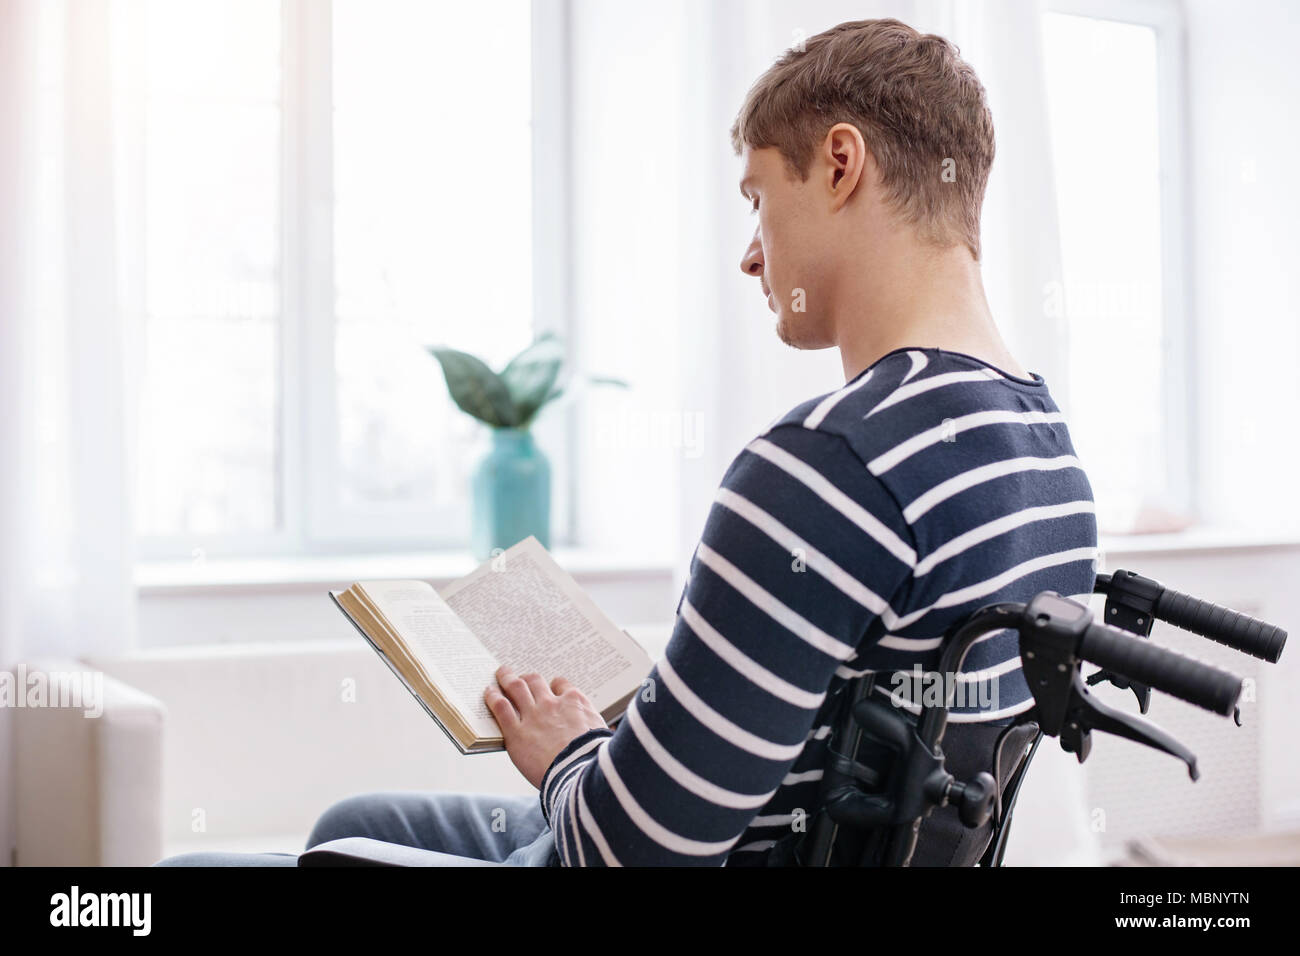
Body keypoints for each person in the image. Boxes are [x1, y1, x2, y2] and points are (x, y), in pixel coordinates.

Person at [158, 17, 1097, 868]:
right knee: (351, 822)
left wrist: (565, 750)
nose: (751, 252)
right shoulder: (1051, 456)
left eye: (759, 197)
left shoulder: (829, 467)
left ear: (842, 166)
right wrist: (675, 720)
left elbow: (626, 856)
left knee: (188, 875)